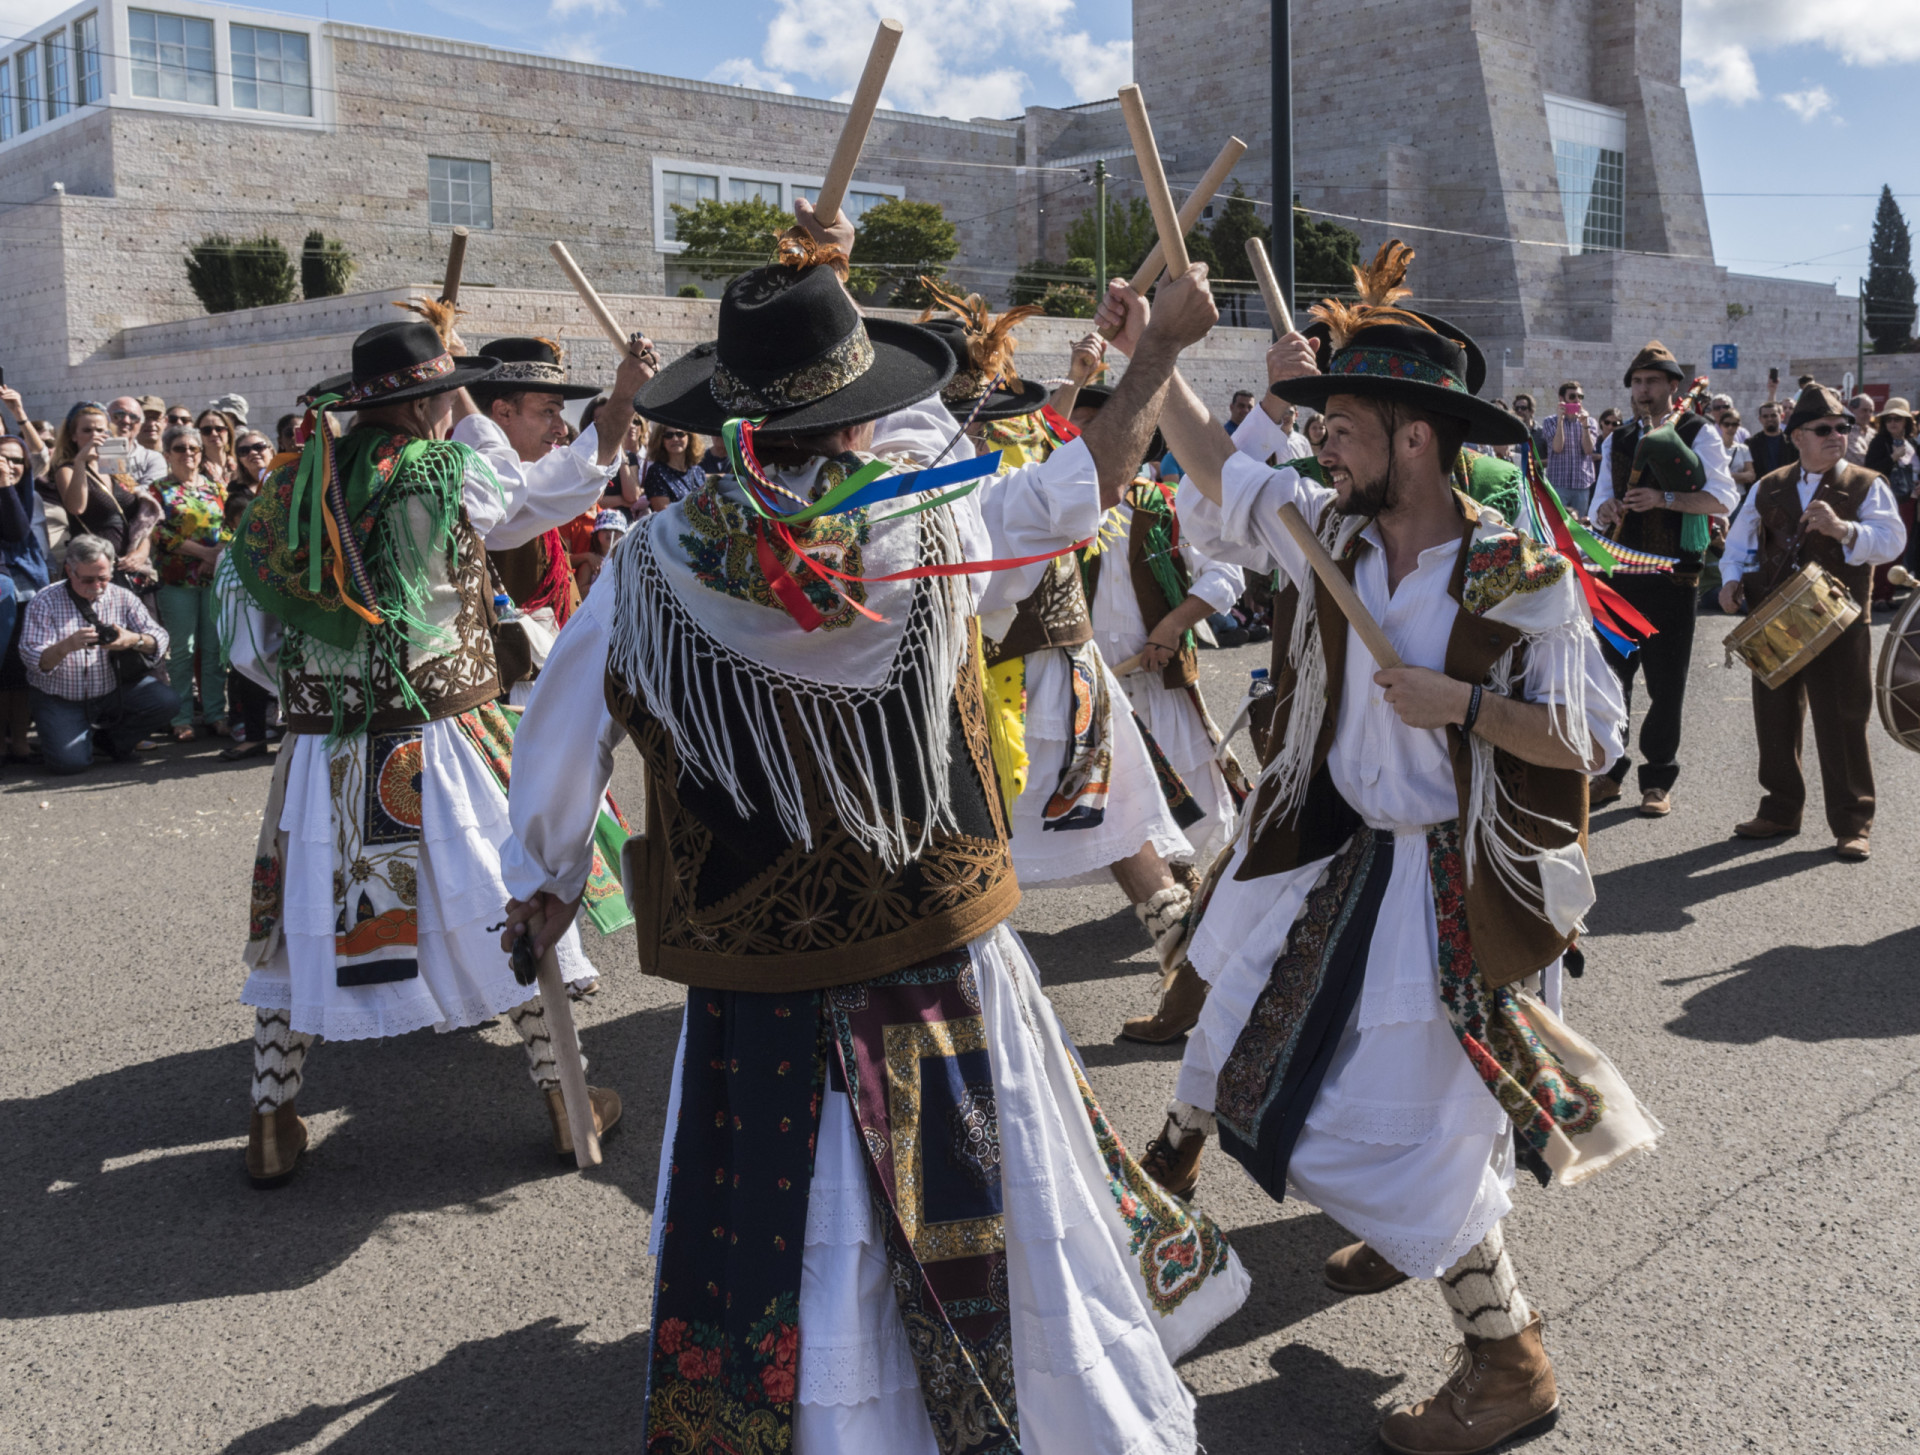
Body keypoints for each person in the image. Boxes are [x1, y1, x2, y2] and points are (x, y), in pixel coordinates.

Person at [499, 206, 1248, 1455]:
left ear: (732, 422)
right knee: (1003, 1229)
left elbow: (562, 738)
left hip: (759, 987)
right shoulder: (937, 527)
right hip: (936, 957)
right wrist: (1158, 353)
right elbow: (1086, 482)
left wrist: (548, 880)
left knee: (784, 1252)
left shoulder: (642, 572)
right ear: (860, 420)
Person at [1130, 241, 1655, 1455]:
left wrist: (1465, 707)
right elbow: (1213, 466)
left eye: (1347, 425)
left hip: (1452, 882)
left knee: (1398, 1127)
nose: (1323, 443)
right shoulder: (1329, 534)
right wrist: (1148, 353)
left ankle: (1506, 1361)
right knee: (1245, 1042)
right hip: (1346, 858)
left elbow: (1588, 745)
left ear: (1416, 437)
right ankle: (1374, 1229)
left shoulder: (1516, 576)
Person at [216, 317, 652, 1186]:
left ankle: (271, 1117)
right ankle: (566, 1099)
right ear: (432, 403)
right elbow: (529, 495)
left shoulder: (294, 486)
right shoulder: (445, 472)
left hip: (324, 746)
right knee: (495, 897)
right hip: (430, 737)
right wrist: (471, 401)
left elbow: (242, 622)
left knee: (305, 919)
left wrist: (316, 689)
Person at [918, 295, 1209, 1031]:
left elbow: (1078, 476)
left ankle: (974, 1006)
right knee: (1118, 829)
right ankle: (1198, 967)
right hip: (1044, 679)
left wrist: (1145, 355)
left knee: (1012, 837)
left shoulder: (974, 474)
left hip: (1038, 686)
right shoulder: (984, 462)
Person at [1717, 385, 1908, 859]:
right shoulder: (1769, 484)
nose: (1837, 435)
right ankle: (1780, 809)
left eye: (1843, 427)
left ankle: (1853, 822)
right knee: (1774, 715)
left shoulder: (1867, 483)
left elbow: (1892, 541)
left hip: (1840, 619)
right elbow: (1740, 541)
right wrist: (1729, 580)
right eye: (1824, 429)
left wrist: (1844, 529)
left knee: (1843, 718)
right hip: (1775, 615)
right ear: (1796, 435)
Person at [1588, 342, 1736, 816]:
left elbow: (1720, 498)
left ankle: (1657, 780)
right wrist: (1605, 509)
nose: (1642, 391)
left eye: (1651, 382)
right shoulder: (1617, 439)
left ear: (1673, 386)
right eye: (1636, 382)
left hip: (1676, 577)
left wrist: (1664, 499)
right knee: (1612, 679)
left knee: (1666, 682)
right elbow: (1598, 506)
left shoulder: (1699, 432)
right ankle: (1610, 771)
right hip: (1619, 576)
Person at [455, 335, 630, 673]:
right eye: (548, 412)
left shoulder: (522, 476)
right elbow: (576, 474)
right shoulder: (481, 488)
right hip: (508, 688)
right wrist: (626, 397)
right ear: (503, 412)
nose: (562, 428)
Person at [19, 537, 178, 772]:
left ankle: (109, 742)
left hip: (110, 691)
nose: (96, 586)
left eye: (103, 578)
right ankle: (73, 738)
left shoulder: (122, 596)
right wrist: (66, 646)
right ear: (69, 572)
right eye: (88, 579)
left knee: (167, 702)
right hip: (61, 696)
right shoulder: (45, 600)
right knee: (69, 764)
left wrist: (133, 639)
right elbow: (32, 659)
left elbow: (160, 637)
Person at [152, 424, 231, 739]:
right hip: (177, 581)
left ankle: (215, 713)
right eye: (180, 448)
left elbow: (231, 523)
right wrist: (203, 553)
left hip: (213, 581)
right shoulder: (158, 490)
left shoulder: (215, 488)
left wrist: (217, 554)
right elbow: (158, 532)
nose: (188, 454)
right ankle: (181, 717)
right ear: (168, 454)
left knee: (214, 649)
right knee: (182, 651)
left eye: (193, 449)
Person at [46, 404, 163, 584]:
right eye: (87, 430)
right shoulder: (68, 470)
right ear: (74, 436)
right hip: (92, 566)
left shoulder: (116, 470)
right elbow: (77, 507)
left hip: (128, 565)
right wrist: (80, 462)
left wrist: (141, 552)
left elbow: (140, 521)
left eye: (100, 430)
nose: (95, 436)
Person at [221, 430, 278, 759]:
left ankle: (301, 730)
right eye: (245, 449)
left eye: (259, 446)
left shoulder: (293, 479)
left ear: (271, 447)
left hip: (290, 577)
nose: (253, 453)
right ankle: (254, 734)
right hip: (248, 582)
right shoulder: (236, 492)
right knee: (248, 653)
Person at [1, 432, 51, 764]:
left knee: (18, 672)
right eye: (3, 458)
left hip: (27, 588)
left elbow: (21, 531)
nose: (10, 466)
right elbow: (14, 531)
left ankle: (19, 740)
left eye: (17, 460)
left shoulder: (27, 493)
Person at [1864, 399, 1917, 588]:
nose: (1892, 423)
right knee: (1886, 546)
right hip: (1887, 501)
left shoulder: (1912, 444)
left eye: (1898, 419)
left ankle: (1889, 592)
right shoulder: (1879, 442)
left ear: (1906, 422)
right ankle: (1879, 594)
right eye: (1888, 419)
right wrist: (1892, 458)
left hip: (1910, 501)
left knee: (1901, 547)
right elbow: (1870, 470)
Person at [1544, 380, 1598, 515]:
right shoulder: (1550, 421)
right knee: (1557, 524)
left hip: (1581, 484)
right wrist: (1560, 420)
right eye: (1572, 396)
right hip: (1559, 483)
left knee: (1579, 527)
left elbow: (1588, 450)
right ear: (1562, 399)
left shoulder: (1590, 421)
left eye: (1580, 397)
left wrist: (1585, 425)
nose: (1577, 400)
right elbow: (1557, 448)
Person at [104, 396, 169, 487]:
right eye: (119, 415)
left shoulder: (152, 459)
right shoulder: (91, 454)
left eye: (133, 417)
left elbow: (149, 493)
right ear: (105, 418)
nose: (126, 420)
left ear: (140, 424)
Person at [640, 420, 705, 510]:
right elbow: (664, 514)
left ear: (689, 437)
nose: (675, 439)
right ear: (661, 440)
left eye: (680, 434)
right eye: (668, 435)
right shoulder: (656, 472)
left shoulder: (698, 471)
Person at [2, 385, 54, 477]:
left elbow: (39, 456)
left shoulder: (14, 471)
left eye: (16, 460)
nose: (10, 464)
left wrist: (18, 412)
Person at [1747, 400, 1793, 479]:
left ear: (1782, 416)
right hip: (1761, 488)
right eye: (1765, 416)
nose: (1769, 419)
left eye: (1773, 415)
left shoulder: (1793, 443)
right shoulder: (1751, 444)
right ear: (1760, 419)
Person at [193, 407, 238, 485]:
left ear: (228, 433)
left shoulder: (240, 467)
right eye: (206, 430)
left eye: (219, 429)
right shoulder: (195, 468)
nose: (214, 433)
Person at [1720, 407, 1754, 488]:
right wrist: (1740, 477)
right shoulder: (1714, 447)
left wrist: (1725, 476)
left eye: (1734, 425)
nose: (1730, 428)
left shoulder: (1743, 449)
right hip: (1719, 495)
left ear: (1738, 426)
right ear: (1721, 425)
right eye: (1726, 424)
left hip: (1739, 494)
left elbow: (1751, 475)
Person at [1846, 393, 1877, 464]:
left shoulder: (1873, 433)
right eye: (1864, 410)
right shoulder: (1845, 432)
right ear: (1851, 410)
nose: (1868, 414)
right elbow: (1862, 461)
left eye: (1871, 411)